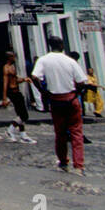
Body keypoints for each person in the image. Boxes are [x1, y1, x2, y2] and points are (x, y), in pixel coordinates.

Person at [31, 36, 88, 175]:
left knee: (60, 133)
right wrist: (77, 93)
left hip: (55, 99)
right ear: (62, 45)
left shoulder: (43, 60)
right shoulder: (70, 61)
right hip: (70, 98)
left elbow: (34, 77)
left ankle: (63, 161)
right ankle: (78, 165)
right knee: (76, 133)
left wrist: (43, 92)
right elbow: (82, 82)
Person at [0, 52, 37, 142]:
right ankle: (10, 129)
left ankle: (23, 135)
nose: (15, 58)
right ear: (9, 58)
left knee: (20, 115)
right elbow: (5, 83)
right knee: (24, 116)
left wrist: (24, 79)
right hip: (12, 93)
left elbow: (16, 79)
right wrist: (4, 98)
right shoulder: (6, 68)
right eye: (13, 57)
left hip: (17, 91)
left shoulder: (12, 67)